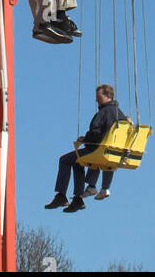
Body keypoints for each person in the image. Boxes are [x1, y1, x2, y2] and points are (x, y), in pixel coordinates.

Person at [46, 85, 127, 213]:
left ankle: (61, 195)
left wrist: (85, 139)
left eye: (99, 97)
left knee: (65, 160)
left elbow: (95, 131)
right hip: (110, 151)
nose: (96, 100)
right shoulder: (121, 114)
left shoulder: (103, 112)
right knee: (78, 161)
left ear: (108, 96)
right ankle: (78, 199)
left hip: (97, 150)